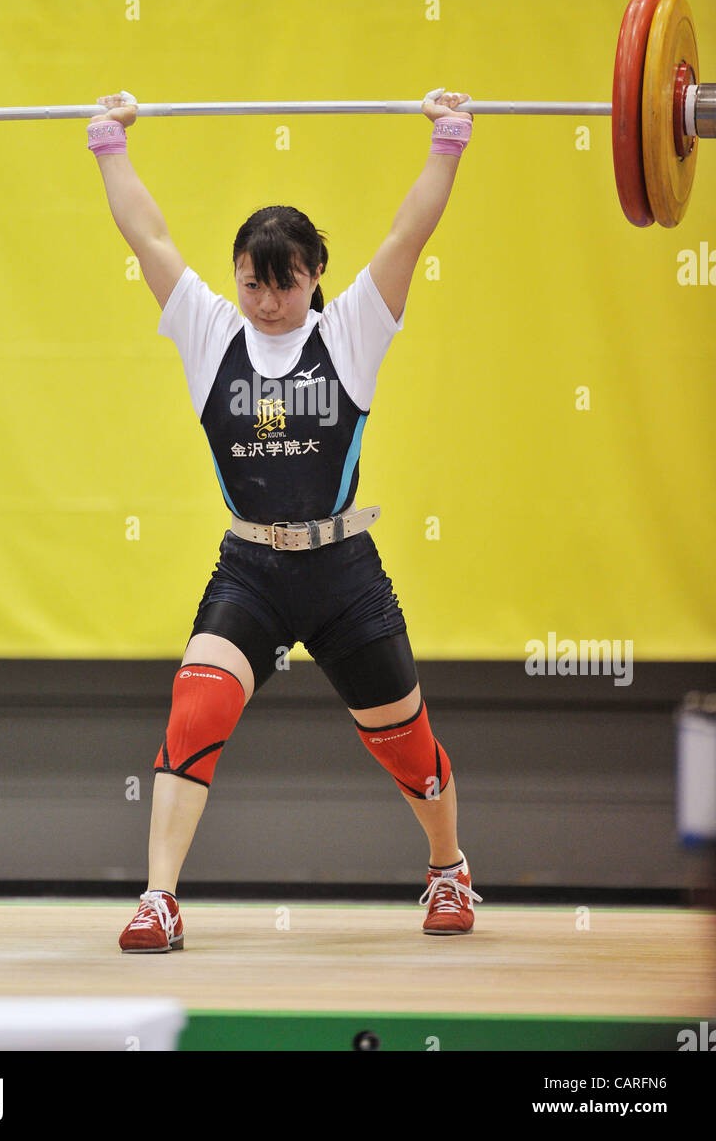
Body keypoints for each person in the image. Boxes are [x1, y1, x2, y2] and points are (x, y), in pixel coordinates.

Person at [87, 88, 481, 952]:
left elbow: (405, 237)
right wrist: (110, 147)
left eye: (285, 281)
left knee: (406, 744)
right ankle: (159, 899)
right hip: (252, 572)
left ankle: (447, 872)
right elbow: (147, 237)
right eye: (252, 282)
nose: (266, 300)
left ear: (313, 278)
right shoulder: (206, 331)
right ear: (236, 280)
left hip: (343, 576)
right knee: (193, 712)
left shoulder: (350, 332)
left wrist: (445, 144)